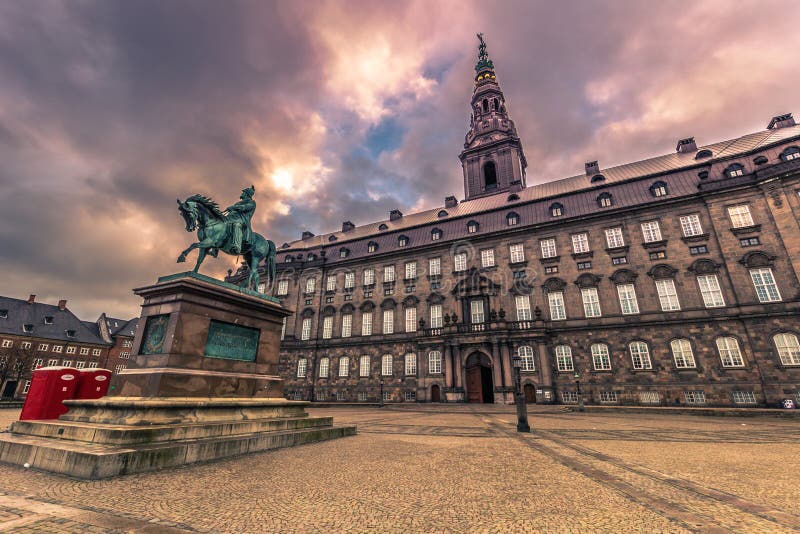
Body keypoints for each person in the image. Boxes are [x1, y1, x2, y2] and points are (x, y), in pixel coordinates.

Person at [225, 185, 256, 255]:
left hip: (242, 221)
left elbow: (244, 207)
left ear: (247, 194)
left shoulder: (252, 203)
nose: (242, 194)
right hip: (231, 219)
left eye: (243, 193)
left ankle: (237, 247)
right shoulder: (237, 203)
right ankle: (215, 249)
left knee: (237, 225)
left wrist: (234, 207)